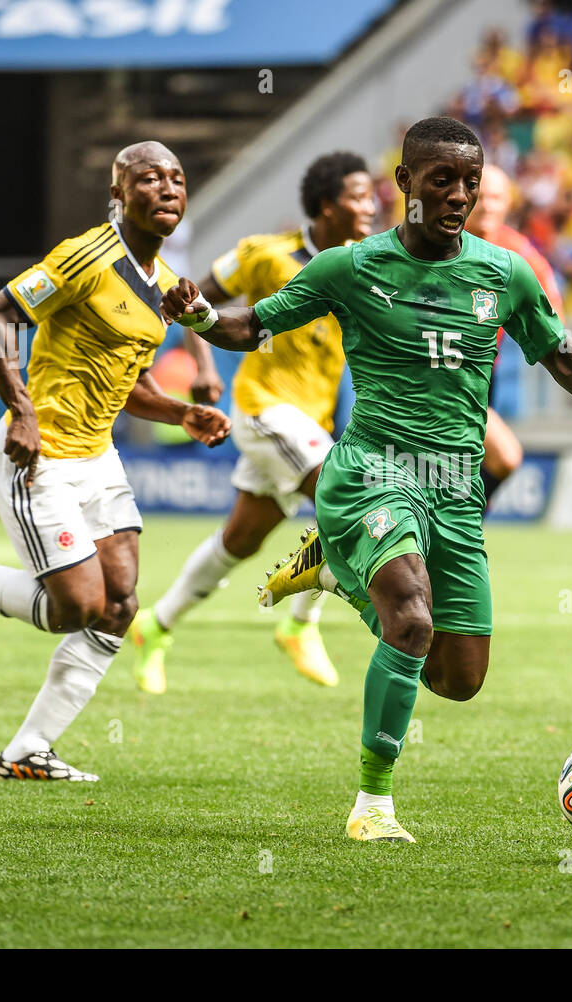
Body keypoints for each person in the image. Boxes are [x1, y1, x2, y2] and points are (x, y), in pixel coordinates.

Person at [165, 117, 572, 842]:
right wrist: (197, 313)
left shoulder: (503, 272)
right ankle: (372, 806)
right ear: (404, 183)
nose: (459, 194)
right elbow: (249, 327)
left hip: (455, 488)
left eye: (470, 181)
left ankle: (333, 574)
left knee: (458, 678)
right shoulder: (349, 268)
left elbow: (562, 354)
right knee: (411, 620)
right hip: (371, 472)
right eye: (441, 179)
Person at [0, 141, 231, 781]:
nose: (167, 188)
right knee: (77, 607)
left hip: (97, 457)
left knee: (120, 603)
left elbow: (124, 384)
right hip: (39, 453)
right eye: (149, 178)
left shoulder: (161, 284)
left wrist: (179, 413)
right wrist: (21, 410)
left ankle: (28, 751)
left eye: (178, 179)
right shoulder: (86, 256)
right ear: (119, 194)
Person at [129, 152, 376, 695]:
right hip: (264, 411)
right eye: (360, 197)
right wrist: (201, 364)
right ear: (328, 207)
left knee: (239, 541)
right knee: (353, 501)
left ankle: (155, 626)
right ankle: (300, 624)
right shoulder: (268, 255)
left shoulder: (365, 266)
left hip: (311, 423)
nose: (372, 206)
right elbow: (187, 297)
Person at [464, 163, 565, 512]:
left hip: (480, 376)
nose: (488, 205)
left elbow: (555, 319)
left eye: (497, 197)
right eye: (482, 196)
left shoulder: (518, 253)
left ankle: (454, 532)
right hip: (427, 374)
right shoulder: (433, 241)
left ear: (509, 202)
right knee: (501, 457)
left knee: (487, 464)